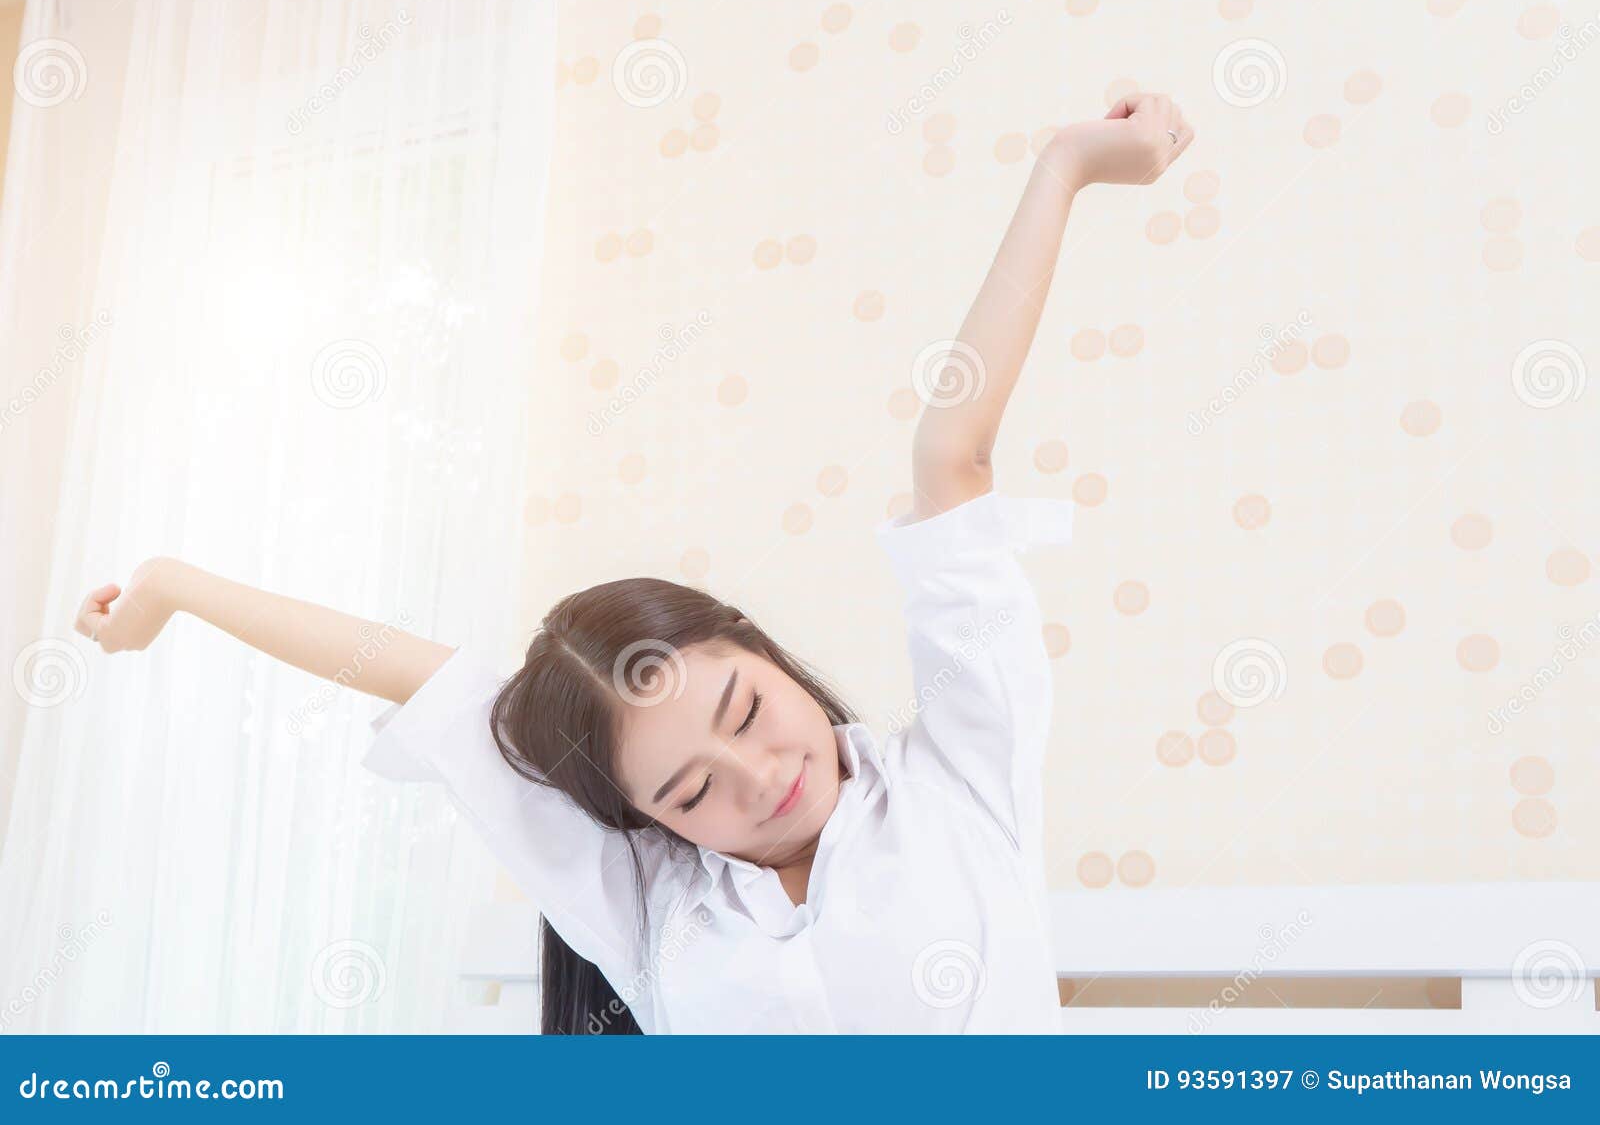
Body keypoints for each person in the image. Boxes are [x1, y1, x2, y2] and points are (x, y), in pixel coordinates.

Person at [75, 93, 1193, 1033]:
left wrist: (1065, 168)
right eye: (691, 790)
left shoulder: (959, 777)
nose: (758, 781)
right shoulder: (646, 901)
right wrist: (173, 585)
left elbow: (950, 452)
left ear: (764, 653)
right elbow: (428, 680)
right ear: (646, 820)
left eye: (748, 711)